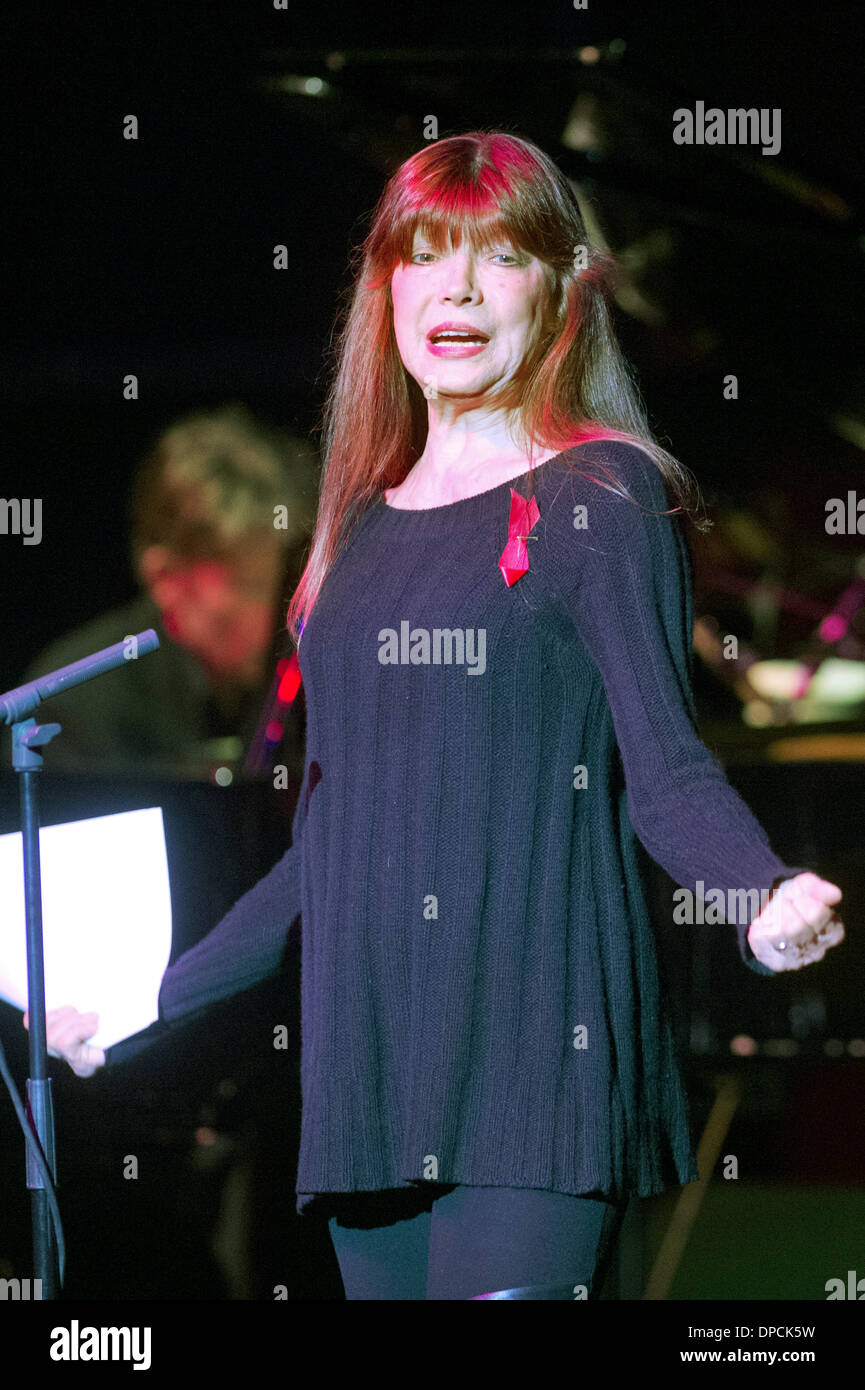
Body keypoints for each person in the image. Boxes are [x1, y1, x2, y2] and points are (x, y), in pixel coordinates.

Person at [31, 131, 845, 1300]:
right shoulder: (352, 531)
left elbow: (664, 769)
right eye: (425, 255)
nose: (456, 289)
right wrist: (153, 997)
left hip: (532, 1045)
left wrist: (757, 888)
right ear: (386, 287)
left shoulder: (600, 494)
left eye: (498, 257)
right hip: (372, 1066)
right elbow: (328, 845)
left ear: (559, 289)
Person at [18, 404, 316, 780]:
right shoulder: (72, 706)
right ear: (165, 578)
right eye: (249, 587)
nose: (280, 619)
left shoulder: (307, 685)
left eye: (287, 589)